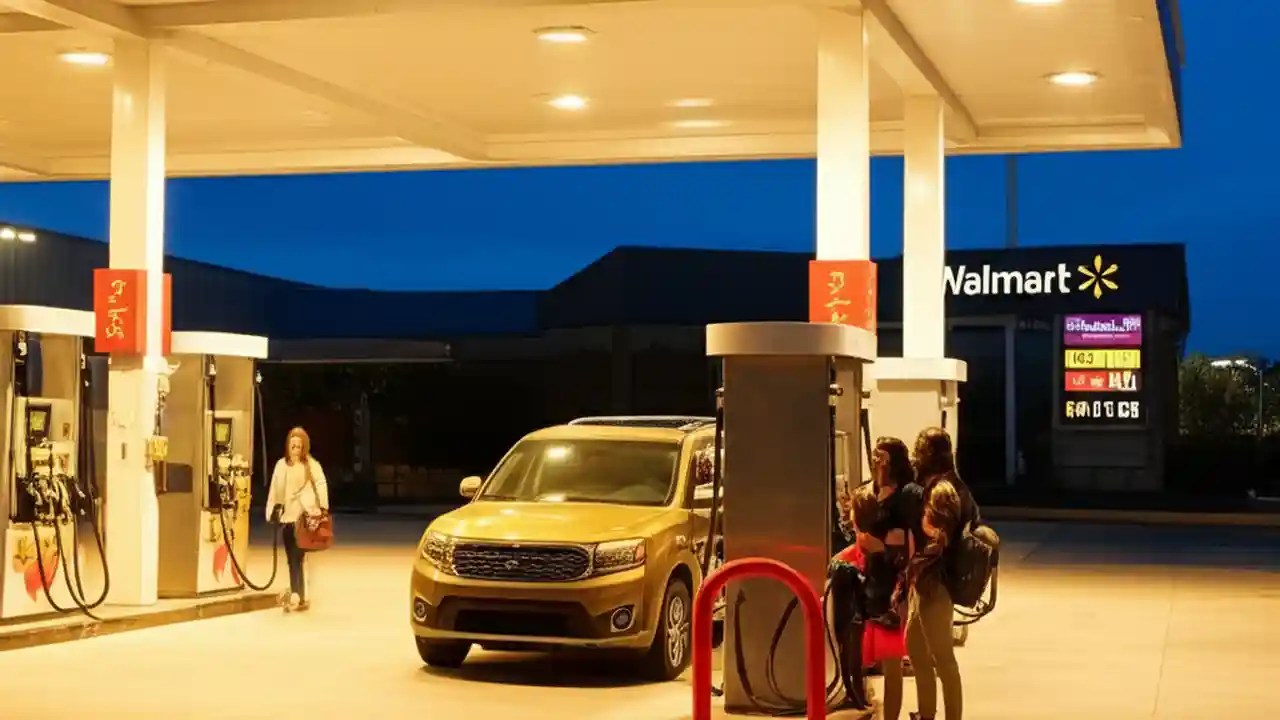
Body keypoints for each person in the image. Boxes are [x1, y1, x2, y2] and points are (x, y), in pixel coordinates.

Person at [838, 437, 919, 720]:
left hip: (892, 588)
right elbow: (859, 538)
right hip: (863, 582)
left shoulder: (905, 497)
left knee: (892, 662)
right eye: (874, 456)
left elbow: (907, 544)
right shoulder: (867, 492)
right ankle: (863, 704)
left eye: (882, 457)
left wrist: (884, 547)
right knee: (859, 653)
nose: (876, 462)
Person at [903, 427, 979, 720]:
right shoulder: (951, 486)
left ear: (930, 455)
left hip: (937, 583)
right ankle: (925, 714)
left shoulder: (944, 490)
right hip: (927, 582)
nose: (915, 457)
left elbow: (940, 540)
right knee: (917, 649)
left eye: (919, 451)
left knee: (943, 658)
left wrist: (915, 565)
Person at [265, 426, 330, 612]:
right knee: (292, 558)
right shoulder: (281, 465)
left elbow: (321, 483)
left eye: (298, 446)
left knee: (298, 558)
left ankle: (298, 595)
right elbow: (275, 489)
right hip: (287, 519)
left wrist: (323, 507)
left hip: (304, 519)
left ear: (304, 447)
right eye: (292, 446)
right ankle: (299, 595)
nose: (295, 450)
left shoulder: (311, 465)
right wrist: (272, 511)